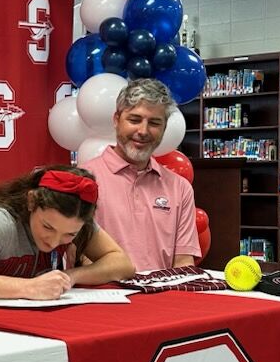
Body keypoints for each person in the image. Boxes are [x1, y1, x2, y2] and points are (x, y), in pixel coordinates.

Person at [0, 165, 134, 300]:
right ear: (31, 201)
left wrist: (71, 276)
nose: (54, 241)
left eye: (69, 235)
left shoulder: (75, 219)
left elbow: (122, 264)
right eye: (47, 227)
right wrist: (29, 288)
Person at [80, 78, 201, 272]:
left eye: (154, 123)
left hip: (162, 299)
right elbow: (79, 258)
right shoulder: (83, 180)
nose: (143, 131)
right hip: (103, 297)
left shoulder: (180, 188)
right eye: (134, 120)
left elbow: (183, 264)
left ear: (164, 127)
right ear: (116, 120)